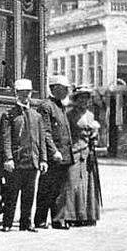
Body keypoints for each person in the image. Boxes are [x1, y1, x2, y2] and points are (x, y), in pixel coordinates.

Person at [0, 78, 53, 232]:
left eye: (27, 93)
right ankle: (7, 223)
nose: (25, 96)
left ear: (31, 94)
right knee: (11, 194)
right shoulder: (9, 115)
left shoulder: (37, 116)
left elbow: (41, 139)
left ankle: (26, 223)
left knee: (29, 195)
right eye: (21, 93)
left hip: (32, 161)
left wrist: (43, 159)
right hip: (16, 162)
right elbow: (5, 139)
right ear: (16, 94)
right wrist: (8, 158)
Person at [34, 75, 73, 230]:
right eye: (64, 88)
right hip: (53, 156)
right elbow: (45, 132)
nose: (67, 91)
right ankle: (40, 219)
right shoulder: (46, 106)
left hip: (64, 155)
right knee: (46, 189)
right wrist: (54, 151)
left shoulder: (60, 106)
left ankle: (58, 219)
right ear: (55, 88)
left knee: (60, 189)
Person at [63, 85, 103, 226]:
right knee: (73, 184)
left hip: (88, 154)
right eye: (81, 98)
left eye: (86, 98)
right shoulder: (69, 115)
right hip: (74, 152)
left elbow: (94, 136)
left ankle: (88, 216)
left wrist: (95, 135)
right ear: (76, 99)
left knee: (89, 185)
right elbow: (66, 135)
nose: (84, 101)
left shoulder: (90, 115)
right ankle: (72, 217)